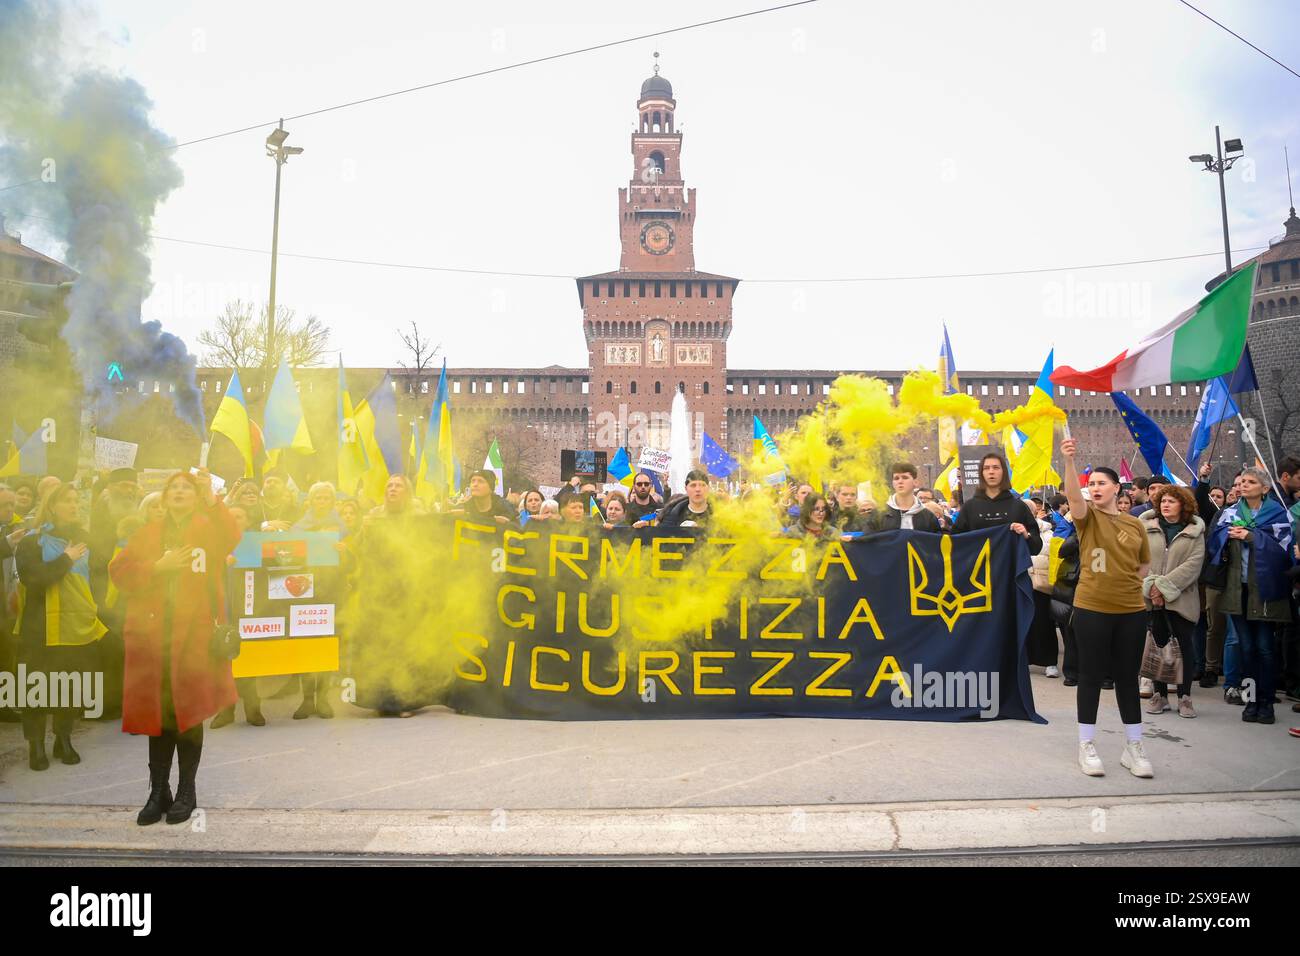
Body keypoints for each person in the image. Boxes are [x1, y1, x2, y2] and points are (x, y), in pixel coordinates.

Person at [109, 469, 240, 825]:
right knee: (159, 714)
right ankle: (158, 791)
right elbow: (119, 572)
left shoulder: (207, 529)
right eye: (173, 488)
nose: (179, 491)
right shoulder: (147, 533)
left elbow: (231, 535)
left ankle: (187, 790)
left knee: (188, 712)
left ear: (196, 497)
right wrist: (157, 566)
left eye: (186, 487)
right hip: (154, 638)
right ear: (163, 498)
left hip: (193, 638)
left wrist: (213, 499)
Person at [1060, 438, 1153, 779]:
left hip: (1130, 610)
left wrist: (1124, 583)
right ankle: (1086, 744)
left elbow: (1143, 566)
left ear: (1117, 488)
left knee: (1127, 678)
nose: (1095, 488)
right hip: (1092, 608)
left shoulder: (1134, 524)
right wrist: (1069, 462)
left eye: (1101, 483)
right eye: (1092, 484)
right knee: (1091, 675)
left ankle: (1134, 746)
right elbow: (1073, 498)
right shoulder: (1087, 519)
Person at [15, 482, 107, 770]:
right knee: (37, 687)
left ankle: (63, 739)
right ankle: (36, 744)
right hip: (39, 626)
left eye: (75, 500)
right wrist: (66, 559)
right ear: (52, 505)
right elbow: (33, 579)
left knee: (71, 685)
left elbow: (98, 578)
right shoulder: (31, 541)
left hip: (77, 625)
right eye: (67, 500)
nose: (73, 505)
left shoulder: (85, 538)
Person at [1206, 465, 1295, 725]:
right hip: (1238, 589)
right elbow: (1214, 541)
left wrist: (1252, 537)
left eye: (1250, 482)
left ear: (1264, 488)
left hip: (1265, 591)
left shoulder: (1277, 513)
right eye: (1242, 481)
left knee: (1265, 648)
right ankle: (1251, 699)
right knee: (1246, 647)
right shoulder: (1231, 513)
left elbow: (1284, 550)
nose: (1243, 485)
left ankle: (1266, 703)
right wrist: (1228, 535)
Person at [1140, 485, 1205, 718]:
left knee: (1184, 648)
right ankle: (1160, 695)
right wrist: (1151, 587)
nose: (1166, 505)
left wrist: (1164, 587)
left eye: (1171, 501)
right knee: (1158, 646)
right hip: (1152, 600)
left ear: (1183, 505)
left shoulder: (1194, 531)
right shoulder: (1146, 528)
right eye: (1163, 501)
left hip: (1182, 599)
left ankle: (1185, 696)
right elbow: (1138, 559)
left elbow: (1194, 564)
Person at [952, 452, 1042, 556]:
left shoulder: (1018, 506)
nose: (991, 472)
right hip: (979, 569)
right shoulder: (969, 507)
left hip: (1011, 569)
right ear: (981, 473)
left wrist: (1026, 535)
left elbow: (1036, 548)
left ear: (1004, 472)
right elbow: (954, 544)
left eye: (996, 467)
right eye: (986, 468)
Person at [871, 463, 942, 533]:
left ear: (915, 482)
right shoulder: (879, 515)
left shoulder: (928, 517)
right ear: (893, 483)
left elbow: (936, 541)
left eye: (905, 477)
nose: (900, 481)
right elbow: (868, 541)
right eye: (896, 478)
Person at [445, 470, 517, 525]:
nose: (475, 484)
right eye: (473, 481)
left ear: (491, 488)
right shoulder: (465, 506)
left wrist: (506, 523)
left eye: (481, 481)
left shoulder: (505, 508)